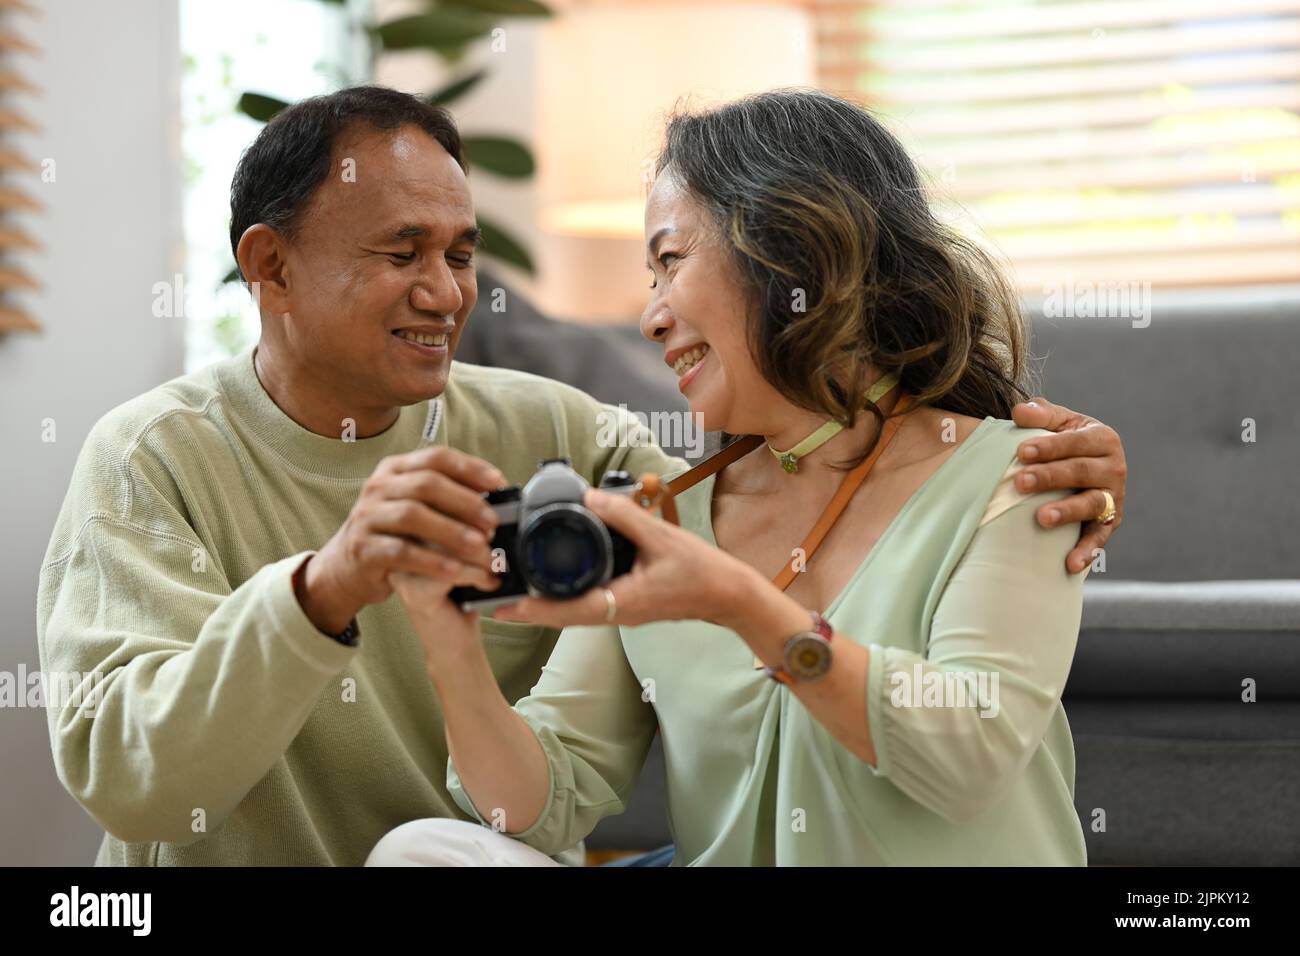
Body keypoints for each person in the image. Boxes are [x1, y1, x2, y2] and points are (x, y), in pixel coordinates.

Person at [37, 86, 1123, 867]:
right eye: (400, 250)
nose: (446, 292)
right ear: (269, 266)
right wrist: (357, 598)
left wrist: (1068, 463)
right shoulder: (149, 458)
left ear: (786, 252)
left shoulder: (583, 448)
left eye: (460, 255)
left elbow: (737, 536)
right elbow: (146, 781)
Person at [370, 89, 1126, 866]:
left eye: (670, 262)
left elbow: (969, 756)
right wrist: (449, 642)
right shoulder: (668, 520)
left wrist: (737, 602)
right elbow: (536, 810)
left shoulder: (1018, 475)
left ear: (789, 246)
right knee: (426, 852)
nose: (650, 317)